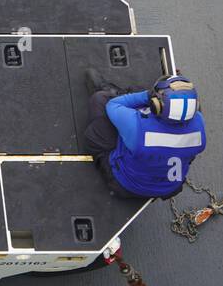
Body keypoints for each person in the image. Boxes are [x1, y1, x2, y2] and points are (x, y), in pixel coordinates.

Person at [81, 70, 206, 199]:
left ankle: (111, 90)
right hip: (168, 188)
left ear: (156, 105)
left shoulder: (137, 126)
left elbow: (113, 105)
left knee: (100, 101)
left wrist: (149, 95)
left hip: (125, 185)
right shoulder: (199, 124)